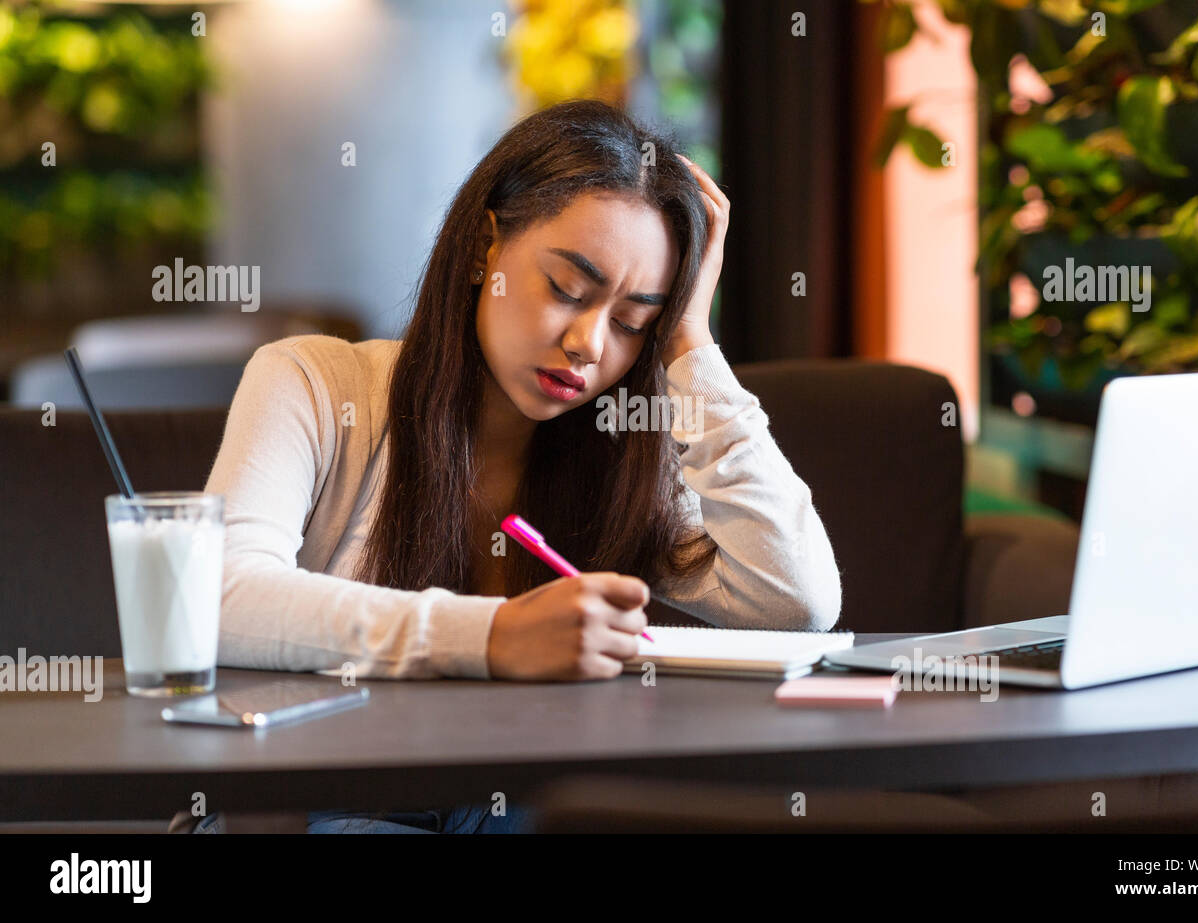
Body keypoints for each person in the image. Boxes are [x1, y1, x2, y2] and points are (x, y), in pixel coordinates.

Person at [203, 99, 842, 833]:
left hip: (521, 802)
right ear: (484, 244)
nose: (589, 342)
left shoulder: (622, 456)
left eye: (634, 321)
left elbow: (797, 599)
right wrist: (493, 636)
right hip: (331, 801)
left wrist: (692, 345)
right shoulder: (313, 385)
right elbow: (219, 598)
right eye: (568, 288)